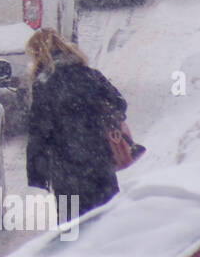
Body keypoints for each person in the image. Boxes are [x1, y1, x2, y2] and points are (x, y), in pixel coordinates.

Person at [24, 28, 132, 217]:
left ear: (39, 54)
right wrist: (105, 118)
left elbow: (38, 134)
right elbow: (119, 103)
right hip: (99, 163)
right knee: (108, 221)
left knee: (72, 230)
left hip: (67, 172)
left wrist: (37, 177)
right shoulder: (89, 75)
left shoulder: (44, 85)